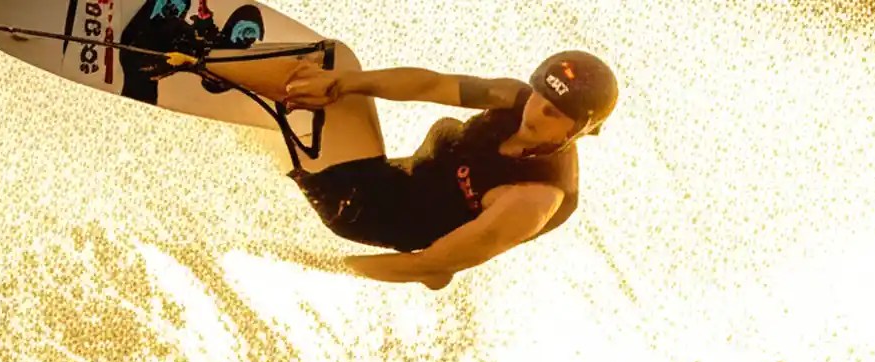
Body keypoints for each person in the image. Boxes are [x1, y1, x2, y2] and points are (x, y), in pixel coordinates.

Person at [201, 46, 620, 290]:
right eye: (540, 95)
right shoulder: (512, 97)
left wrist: (308, 265)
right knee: (338, 70)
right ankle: (258, 105)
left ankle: (190, 58)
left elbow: (428, 267)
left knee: (328, 60)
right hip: (387, 177)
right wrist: (344, 84)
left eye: (554, 112)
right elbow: (430, 85)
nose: (536, 110)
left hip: (361, 208)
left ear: (579, 130)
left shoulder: (534, 199)